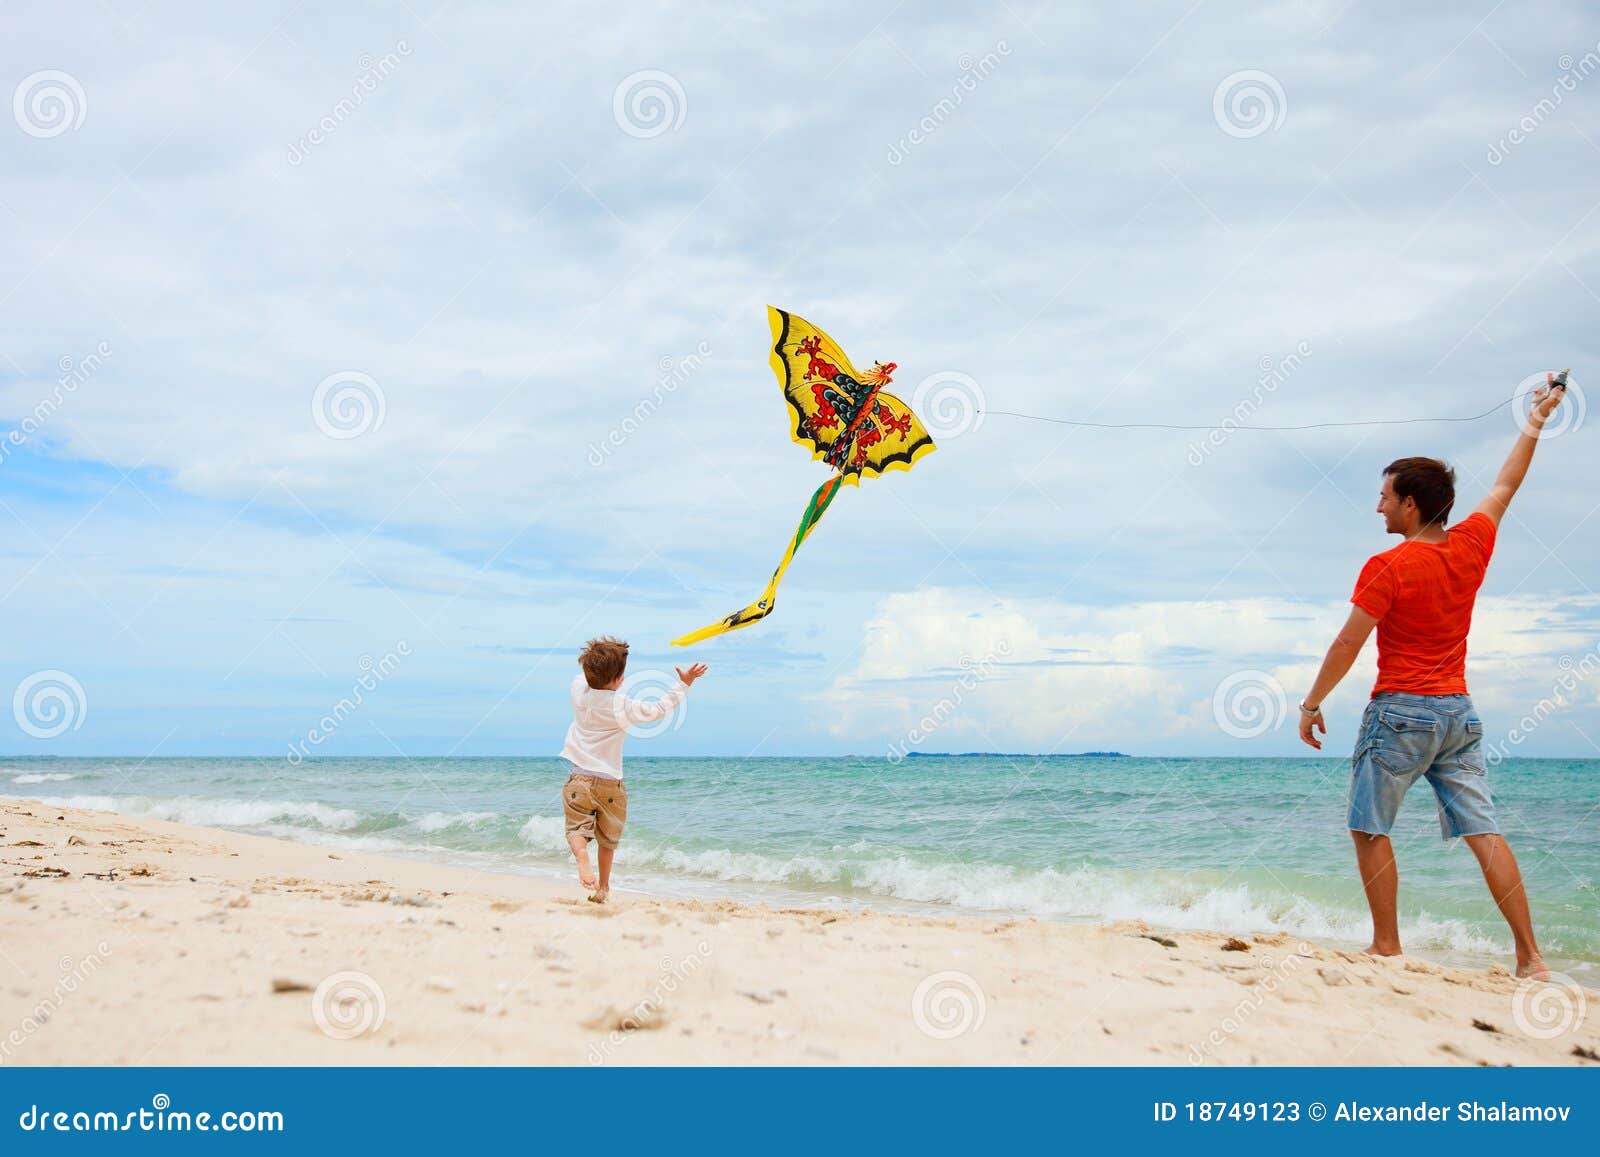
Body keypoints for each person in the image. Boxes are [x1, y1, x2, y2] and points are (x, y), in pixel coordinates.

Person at [1297, 379, 1567, 979]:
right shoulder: (1471, 544)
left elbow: (1347, 642)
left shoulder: (1387, 566)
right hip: (1457, 714)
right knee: (1483, 831)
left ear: (1411, 505)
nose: (1379, 507)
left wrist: (1311, 704)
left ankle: (1386, 946)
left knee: (1368, 828)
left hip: (1400, 712)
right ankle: (1531, 958)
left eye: (1385, 498)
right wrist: (1538, 418)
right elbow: (1507, 484)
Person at [559, 636, 708, 903]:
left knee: (576, 829)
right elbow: (659, 708)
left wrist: (598, 665)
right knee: (608, 840)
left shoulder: (578, 690)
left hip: (579, 778)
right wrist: (684, 682)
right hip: (610, 783)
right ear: (618, 680)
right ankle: (604, 888)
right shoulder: (621, 705)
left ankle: (581, 856)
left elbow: (585, 676)